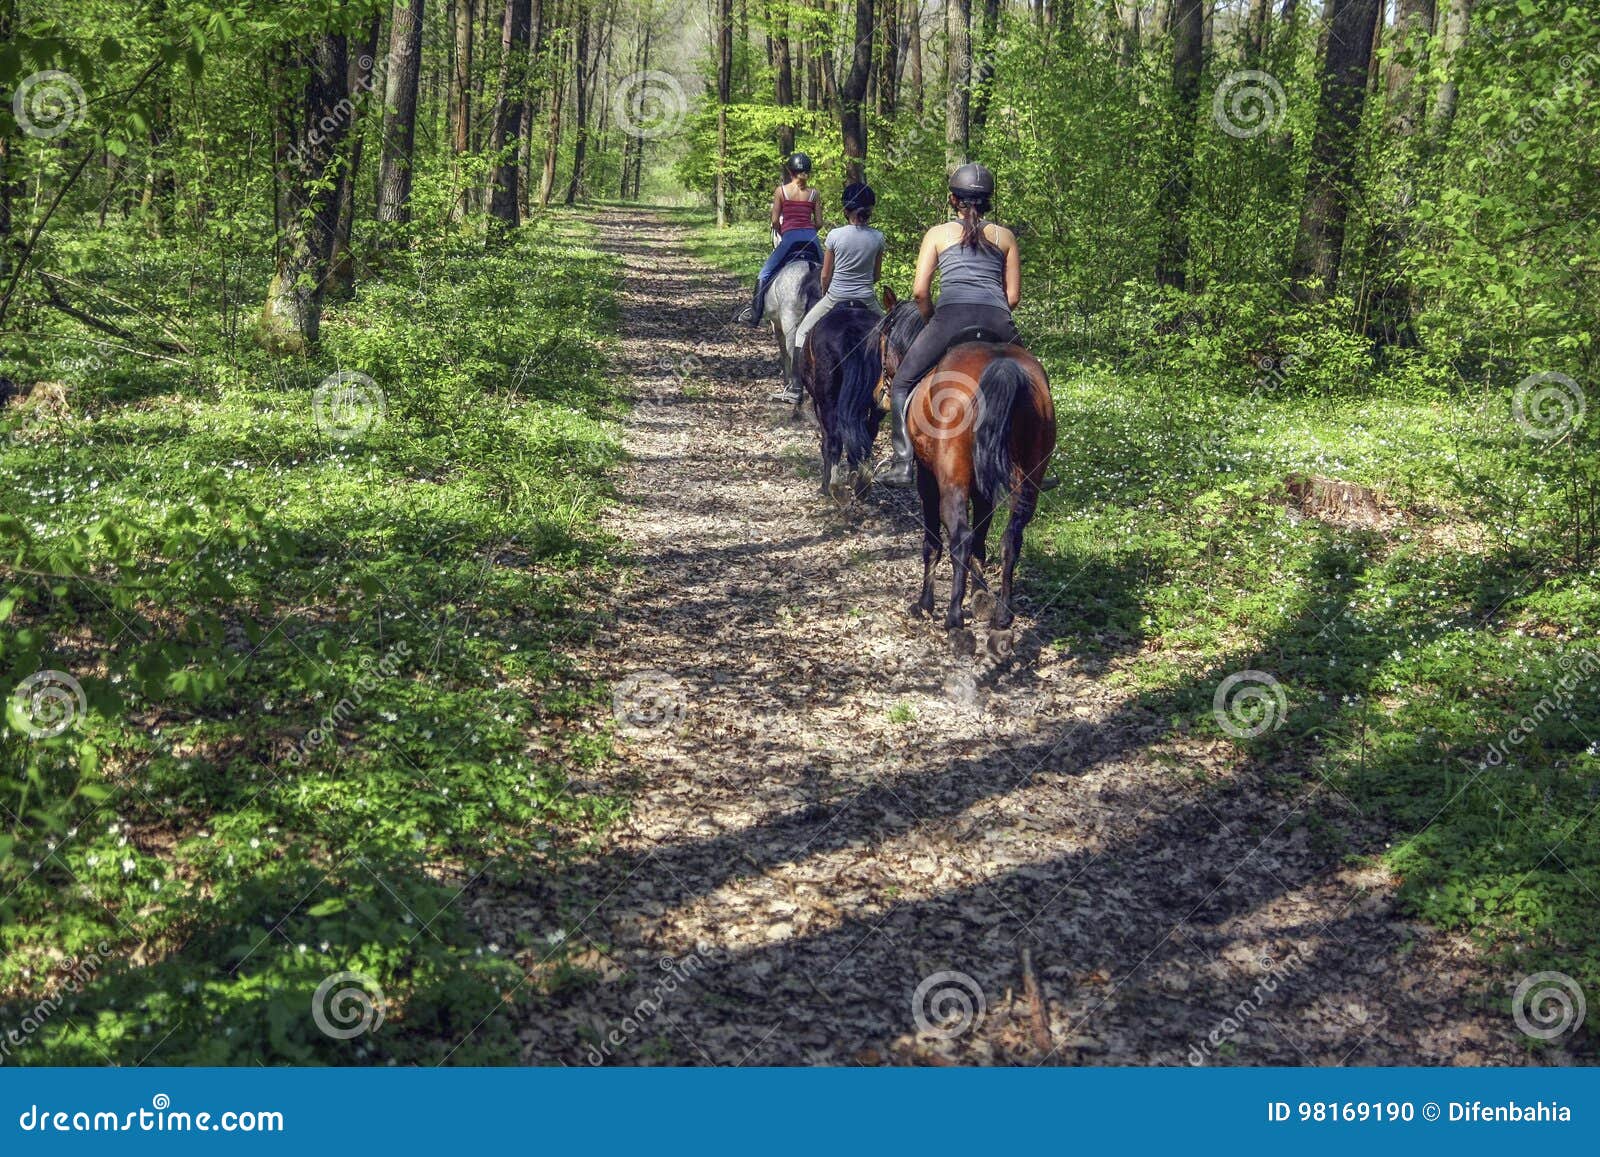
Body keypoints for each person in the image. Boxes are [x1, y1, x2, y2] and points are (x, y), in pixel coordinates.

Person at [878, 162, 1019, 489]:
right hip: (998, 319)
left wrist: (931, 321)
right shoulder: (1006, 236)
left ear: (953, 200)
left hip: (950, 318)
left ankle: (902, 464)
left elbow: (919, 292)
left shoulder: (938, 234)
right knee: (1033, 381)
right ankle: (1028, 463)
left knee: (901, 384)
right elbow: (1012, 297)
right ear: (988, 200)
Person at [773, 180, 886, 404]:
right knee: (893, 337)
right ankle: (893, 388)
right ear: (870, 211)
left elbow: (825, 274)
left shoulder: (834, 235)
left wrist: (826, 292)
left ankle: (796, 387)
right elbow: (876, 276)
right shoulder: (878, 237)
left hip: (836, 296)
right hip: (866, 298)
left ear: (846, 210)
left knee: (801, 333)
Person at [736, 153, 821, 325]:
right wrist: (809, 229)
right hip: (812, 239)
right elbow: (819, 222)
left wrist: (783, 231)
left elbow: (775, 220)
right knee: (828, 273)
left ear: (791, 172)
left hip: (790, 239)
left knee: (765, 273)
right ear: (808, 172)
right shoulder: (814, 194)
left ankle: (754, 314)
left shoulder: (781, 192)